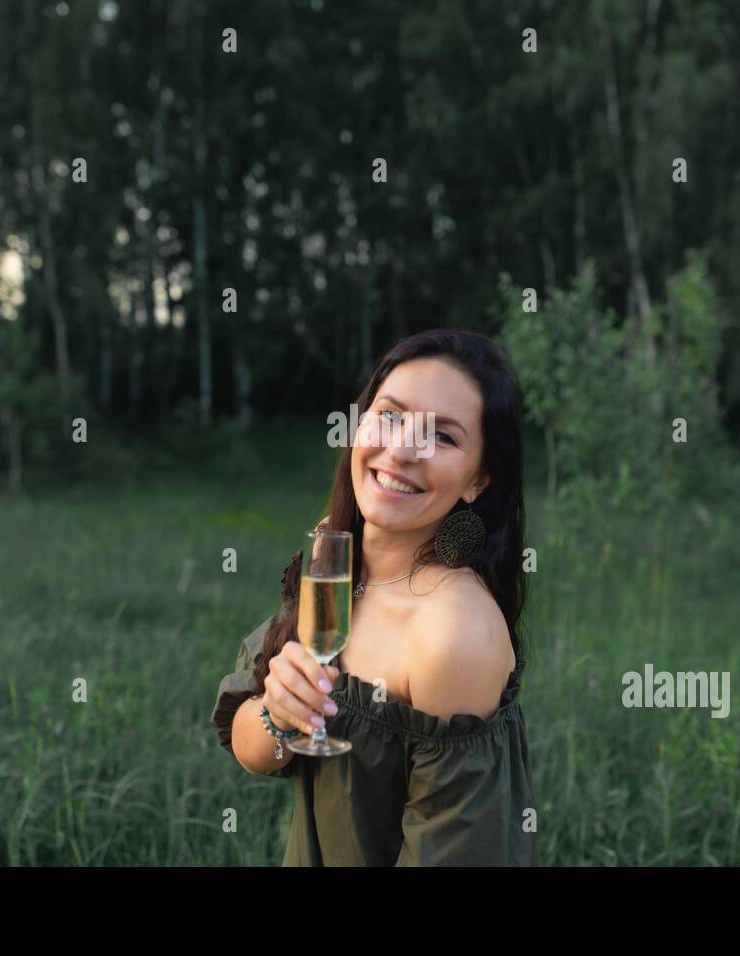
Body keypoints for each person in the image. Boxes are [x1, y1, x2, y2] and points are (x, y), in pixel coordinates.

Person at [211, 328, 537, 866]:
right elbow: (253, 749)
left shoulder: (454, 634)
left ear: (478, 481)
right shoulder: (334, 560)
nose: (402, 449)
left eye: (442, 436)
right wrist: (276, 714)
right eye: (389, 415)